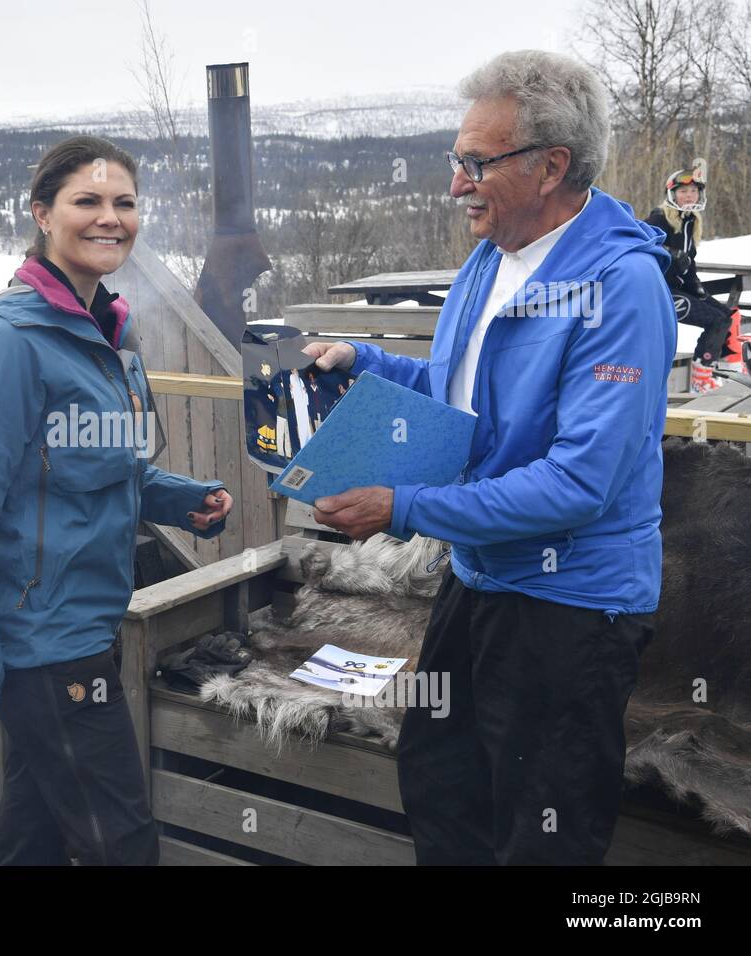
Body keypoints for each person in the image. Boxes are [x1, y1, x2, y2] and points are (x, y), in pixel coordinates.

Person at [304, 50, 674, 865]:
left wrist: (400, 508)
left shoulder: (622, 286)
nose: (456, 183)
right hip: (479, 577)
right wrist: (364, 363)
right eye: (454, 160)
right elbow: (456, 394)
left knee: (541, 831)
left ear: (551, 167)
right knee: (439, 782)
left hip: (569, 606)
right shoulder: (492, 259)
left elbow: (579, 483)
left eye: (476, 162)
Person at [0, 135, 233, 866]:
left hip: (86, 623)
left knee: (34, 830)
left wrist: (182, 498)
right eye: (87, 201)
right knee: (120, 841)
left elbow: (102, 471)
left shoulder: (107, 335)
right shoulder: (10, 340)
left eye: (124, 203)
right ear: (41, 213)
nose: (110, 218)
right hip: (45, 645)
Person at [643, 162, 742, 390]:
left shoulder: (690, 221)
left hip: (679, 289)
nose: (689, 195)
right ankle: (701, 379)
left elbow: (689, 263)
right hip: (660, 293)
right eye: (683, 191)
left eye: (694, 191)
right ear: (672, 194)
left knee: (726, 315)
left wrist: (696, 286)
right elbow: (639, 242)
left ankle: (726, 369)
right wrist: (670, 252)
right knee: (715, 320)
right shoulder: (659, 219)